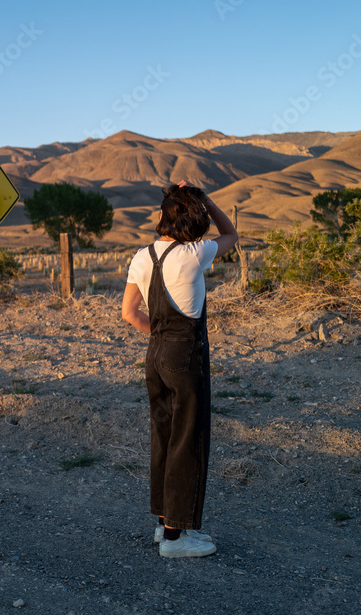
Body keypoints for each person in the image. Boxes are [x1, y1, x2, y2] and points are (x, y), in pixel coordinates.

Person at [121, 181, 238, 558]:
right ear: (192, 216)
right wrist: (206, 198)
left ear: (162, 215)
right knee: (188, 440)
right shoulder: (194, 253)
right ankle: (176, 538)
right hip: (185, 357)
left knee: (164, 438)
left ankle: (163, 524)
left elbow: (128, 313)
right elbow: (231, 234)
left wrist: (159, 334)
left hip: (154, 356)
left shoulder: (141, 257)